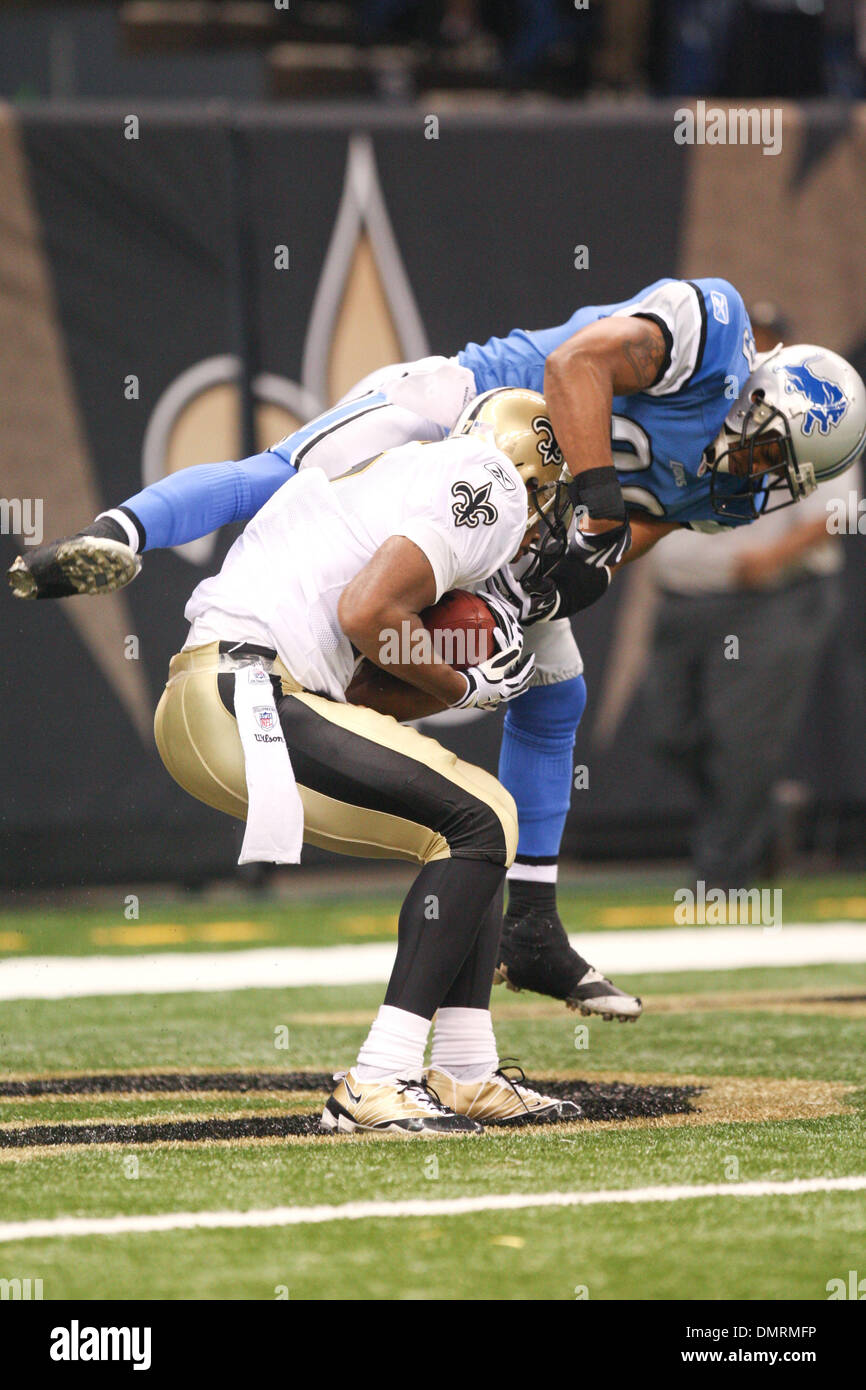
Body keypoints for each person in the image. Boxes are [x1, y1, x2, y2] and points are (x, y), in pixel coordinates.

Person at [10, 279, 866, 1015]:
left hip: (541, 502)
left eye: (777, 468)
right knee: (282, 469)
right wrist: (599, 505)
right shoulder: (707, 331)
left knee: (553, 684)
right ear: (757, 393)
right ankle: (121, 528)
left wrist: (575, 575)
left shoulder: (740, 491)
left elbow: (645, 530)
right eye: (762, 445)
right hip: (469, 414)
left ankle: (529, 924)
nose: (755, 469)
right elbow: (577, 367)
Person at [152, 391, 583, 1134]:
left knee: (468, 827)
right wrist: (467, 684)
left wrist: (450, 681)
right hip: (243, 692)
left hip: (224, 694)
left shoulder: (400, 487)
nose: (544, 523)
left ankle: (467, 1069)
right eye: (552, 499)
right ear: (529, 474)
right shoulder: (491, 483)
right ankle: (378, 1077)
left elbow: (360, 694)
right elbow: (367, 614)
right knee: (482, 818)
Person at [642, 462, 860, 887]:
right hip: (680, 598)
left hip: (773, 596)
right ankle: (764, 813)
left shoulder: (811, 400)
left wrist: (773, 557)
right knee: (669, 733)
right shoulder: (670, 399)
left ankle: (721, 880)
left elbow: (839, 509)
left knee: (742, 743)